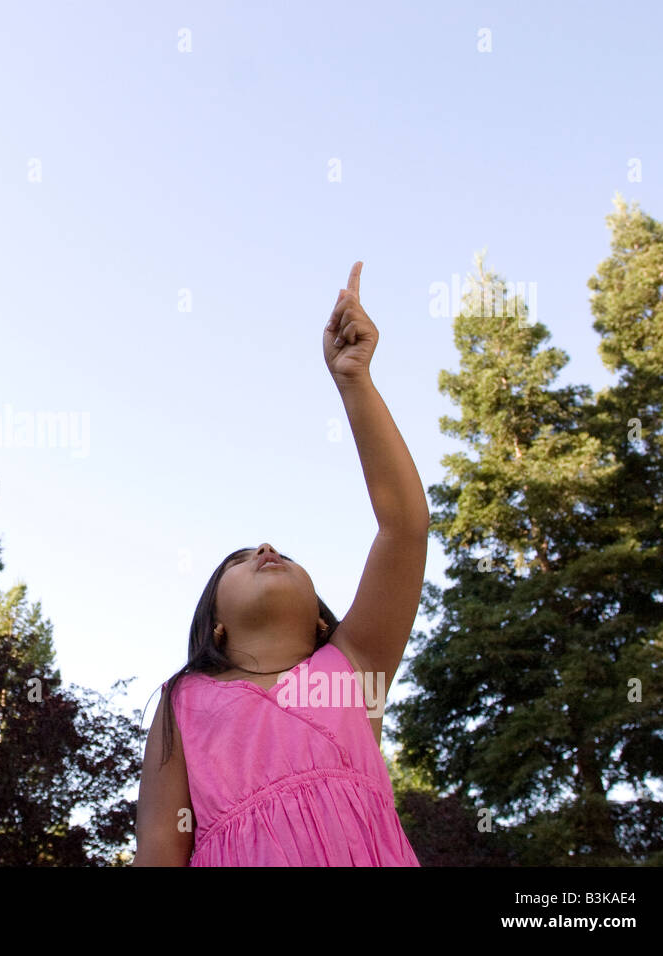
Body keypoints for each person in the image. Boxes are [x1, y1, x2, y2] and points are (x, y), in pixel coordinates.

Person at [133, 262, 428, 866]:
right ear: (214, 623)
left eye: (280, 553)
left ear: (322, 622)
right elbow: (161, 849)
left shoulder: (351, 666)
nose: (266, 549)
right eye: (240, 560)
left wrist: (354, 382)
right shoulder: (183, 700)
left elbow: (405, 526)